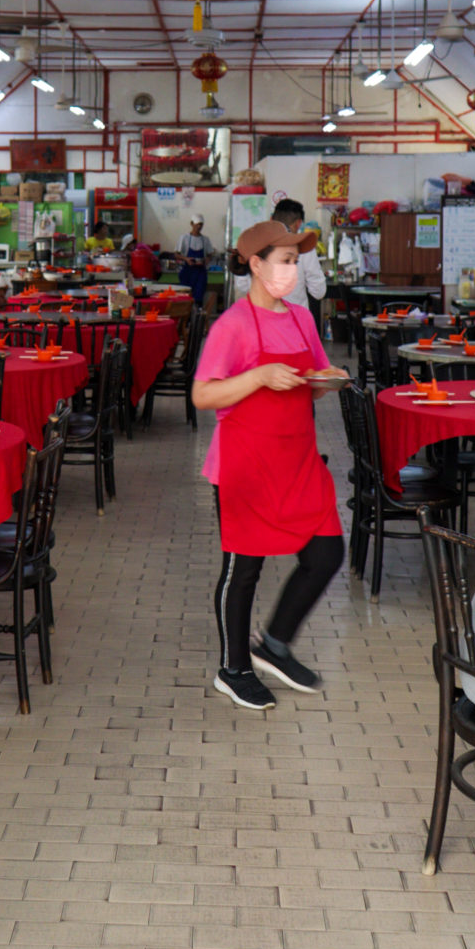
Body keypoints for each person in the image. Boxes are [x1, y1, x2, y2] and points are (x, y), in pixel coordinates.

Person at [191, 220, 348, 711]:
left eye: (296, 260)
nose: (293, 269)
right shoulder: (232, 325)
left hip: (298, 460)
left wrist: (328, 379)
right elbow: (203, 394)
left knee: (325, 555)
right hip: (246, 465)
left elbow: (312, 380)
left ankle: (274, 644)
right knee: (244, 570)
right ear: (256, 265)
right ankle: (233, 669)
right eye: (284, 260)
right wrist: (258, 375)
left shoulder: (301, 319)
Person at [274, 199, 328, 331]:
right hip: (295, 324)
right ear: (298, 223)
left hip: (264, 324)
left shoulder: (260, 245)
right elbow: (319, 292)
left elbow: (243, 285)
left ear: (272, 218)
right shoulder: (305, 248)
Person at [177, 216, 211, 308]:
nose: (199, 227)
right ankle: (186, 319)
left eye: (201, 224)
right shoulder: (184, 238)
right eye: (197, 224)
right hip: (187, 272)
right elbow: (176, 254)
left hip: (200, 273)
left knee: (199, 297)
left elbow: (210, 254)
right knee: (186, 296)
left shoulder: (205, 239)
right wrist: (186, 259)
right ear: (191, 224)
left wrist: (207, 260)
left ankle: (197, 318)